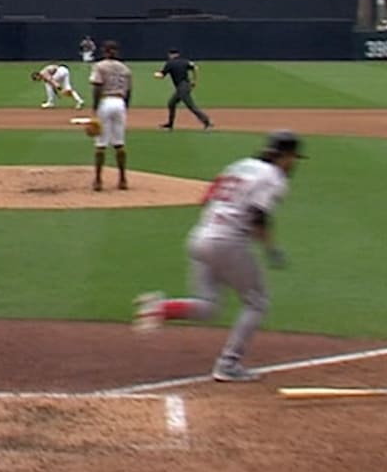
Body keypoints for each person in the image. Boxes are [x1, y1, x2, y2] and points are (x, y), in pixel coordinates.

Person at [131, 131, 307, 383]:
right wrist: (271, 249)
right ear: (285, 156)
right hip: (228, 243)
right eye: (293, 158)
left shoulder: (238, 166)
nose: (294, 164)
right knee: (257, 302)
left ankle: (161, 308)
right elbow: (259, 216)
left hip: (200, 236)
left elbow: (206, 199)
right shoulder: (274, 177)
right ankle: (228, 364)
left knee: (209, 307)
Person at [88, 40, 133, 191]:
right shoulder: (125, 68)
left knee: (100, 144)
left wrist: (94, 109)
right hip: (120, 102)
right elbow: (129, 91)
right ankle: (123, 180)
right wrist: (125, 107)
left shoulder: (100, 66)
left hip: (105, 102)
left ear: (105, 51)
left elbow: (97, 88)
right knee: (119, 143)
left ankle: (98, 181)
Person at [154, 49, 212, 131]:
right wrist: (194, 80)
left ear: (170, 55)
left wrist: (156, 75)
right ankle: (170, 125)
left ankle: (207, 123)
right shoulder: (184, 61)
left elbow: (161, 75)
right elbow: (195, 68)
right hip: (185, 85)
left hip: (182, 87)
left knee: (191, 106)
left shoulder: (170, 63)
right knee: (171, 103)